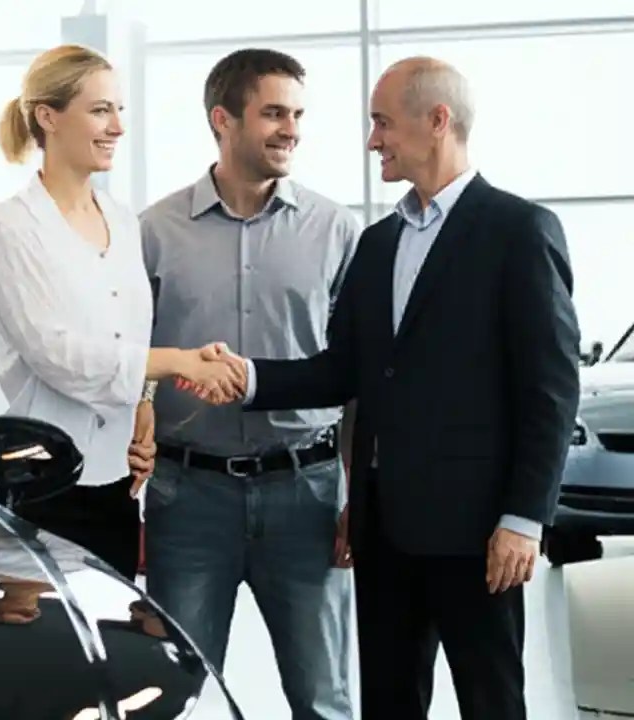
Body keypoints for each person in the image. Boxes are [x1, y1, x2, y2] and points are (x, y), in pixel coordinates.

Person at [196, 57, 581, 720]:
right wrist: (242, 375)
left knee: (492, 703)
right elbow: (341, 371)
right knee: (389, 706)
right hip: (385, 533)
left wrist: (524, 518)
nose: (373, 140)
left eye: (382, 123)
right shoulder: (377, 243)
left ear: (437, 122)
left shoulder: (519, 231)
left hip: (480, 535)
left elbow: (550, 390)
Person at [135, 48, 358, 720]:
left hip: (309, 495)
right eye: (273, 113)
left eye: (296, 114)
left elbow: (358, 375)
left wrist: (359, 494)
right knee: (177, 700)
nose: (291, 129)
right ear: (222, 120)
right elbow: (131, 356)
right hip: (188, 500)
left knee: (325, 701)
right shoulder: (154, 232)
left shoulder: (336, 230)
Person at [0, 44, 241, 585]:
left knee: (116, 655)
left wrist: (144, 406)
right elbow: (57, 355)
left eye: (119, 110)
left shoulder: (121, 221)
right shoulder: (8, 227)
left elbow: (130, 332)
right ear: (48, 117)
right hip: (44, 488)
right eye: (100, 110)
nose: (117, 125)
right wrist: (180, 363)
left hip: (119, 485)